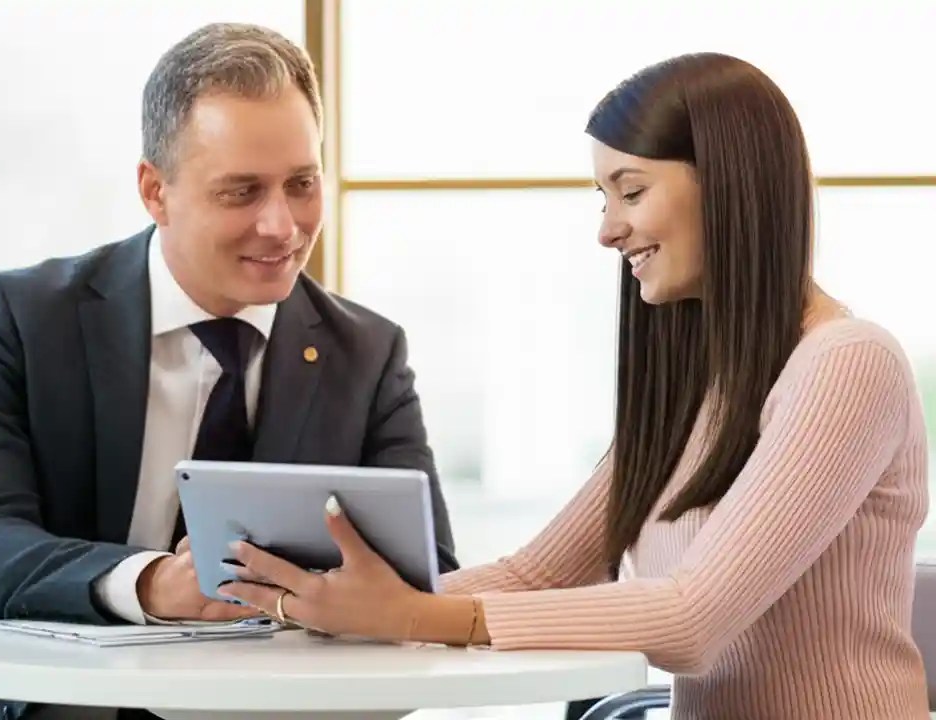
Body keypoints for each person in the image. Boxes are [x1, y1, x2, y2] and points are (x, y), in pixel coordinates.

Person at [221, 52, 931, 720]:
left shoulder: (846, 364)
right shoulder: (698, 387)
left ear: (729, 183)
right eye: (603, 196)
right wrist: (324, 600)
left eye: (631, 191)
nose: (608, 229)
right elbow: (537, 576)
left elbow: (692, 619)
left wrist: (411, 615)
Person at [0, 22, 457, 720]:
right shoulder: (22, 320)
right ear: (154, 190)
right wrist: (147, 586)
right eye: (241, 192)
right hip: (44, 705)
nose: (282, 225)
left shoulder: (367, 353)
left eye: (301, 184)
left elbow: (428, 579)